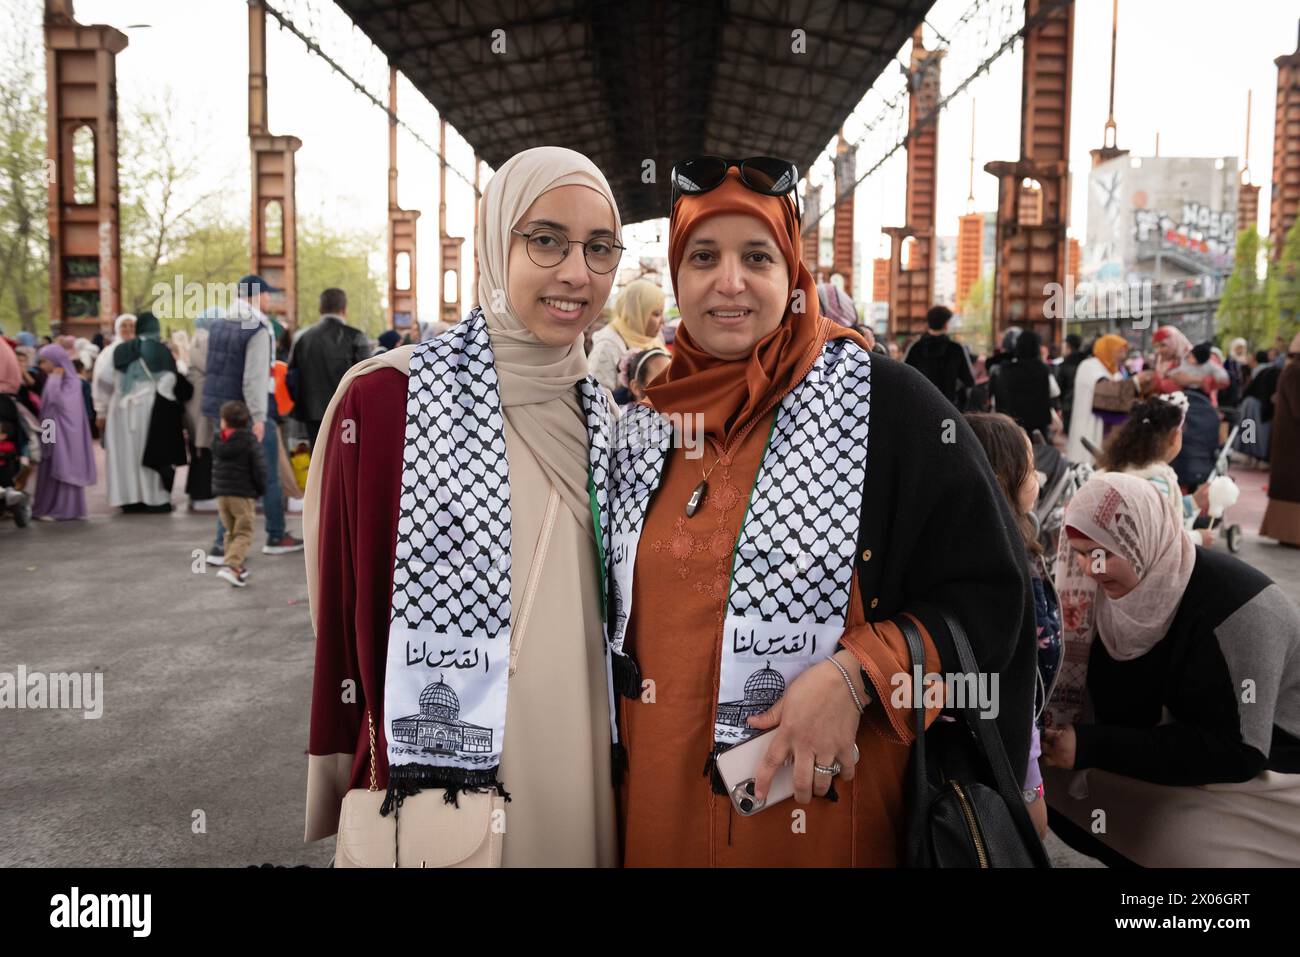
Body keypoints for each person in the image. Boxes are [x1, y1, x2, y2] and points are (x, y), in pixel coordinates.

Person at [610, 158, 1035, 867]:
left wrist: (860, 672)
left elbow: (992, 597)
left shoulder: (885, 406)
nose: (730, 281)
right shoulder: (646, 422)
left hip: (821, 824)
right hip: (661, 818)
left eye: (757, 257)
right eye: (704, 257)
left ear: (793, 270)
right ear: (677, 275)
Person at [303, 146, 625, 866]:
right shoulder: (387, 400)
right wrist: (347, 750)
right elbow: (343, 608)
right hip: (444, 767)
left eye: (598, 248)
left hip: (583, 756)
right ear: (494, 239)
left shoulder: (601, 415)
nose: (576, 271)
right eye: (545, 239)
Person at [1044, 472, 1300, 866]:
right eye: (1079, 553)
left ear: (1143, 539)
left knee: (1175, 846)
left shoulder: (1239, 610)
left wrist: (1090, 745)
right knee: (1050, 790)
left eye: (1102, 553)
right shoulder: (1109, 596)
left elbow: (1238, 751)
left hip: (1274, 774)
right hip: (1194, 755)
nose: (1089, 568)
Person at [965, 412, 1062, 840]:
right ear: (1004, 475)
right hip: (1008, 730)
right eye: (1030, 465)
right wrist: (1029, 775)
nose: (1038, 476)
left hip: (999, 725)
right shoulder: (1005, 560)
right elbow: (1011, 674)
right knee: (1026, 835)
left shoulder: (960, 542)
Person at [200, 274, 303, 561]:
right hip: (250, 412)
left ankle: (222, 544)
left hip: (221, 412)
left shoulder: (219, 323)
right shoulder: (257, 327)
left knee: (231, 476)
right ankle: (274, 535)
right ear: (258, 296)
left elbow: (216, 369)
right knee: (267, 474)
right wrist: (258, 417)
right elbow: (254, 378)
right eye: (267, 294)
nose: (269, 300)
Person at [1095, 394, 1209, 547]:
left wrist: (1193, 502)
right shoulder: (1157, 482)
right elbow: (1156, 539)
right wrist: (1197, 538)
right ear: (1174, 437)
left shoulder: (1119, 467)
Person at [102, 312, 188, 513]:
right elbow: (168, 383)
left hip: (121, 409)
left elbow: (104, 380)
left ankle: (129, 499)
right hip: (151, 407)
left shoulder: (118, 350)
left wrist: (105, 406)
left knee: (126, 455)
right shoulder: (161, 351)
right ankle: (154, 499)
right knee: (150, 451)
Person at [287, 288, 370, 446]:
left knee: (318, 459)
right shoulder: (356, 337)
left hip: (311, 412)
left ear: (320, 309)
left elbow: (291, 377)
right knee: (344, 460)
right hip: (346, 413)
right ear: (344, 309)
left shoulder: (303, 338)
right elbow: (368, 378)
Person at [31, 344, 96, 521]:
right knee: (48, 463)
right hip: (50, 428)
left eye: (44, 361)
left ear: (55, 361)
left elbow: (62, 405)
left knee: (61, 466)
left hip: (63, 434)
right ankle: (44, 507)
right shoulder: (55, 378)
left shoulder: (71, 381)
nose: (42, 365)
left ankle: (62, 510)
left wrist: (54, 380)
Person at [211, 400, 265, 588]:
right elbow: (259, 469)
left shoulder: (218, 440)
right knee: (244, 532)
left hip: (222, 494)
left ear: (224, 422)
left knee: (230, 531)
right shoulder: (249, 441)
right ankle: (231, 566)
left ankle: (236, 566)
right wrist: (261, 489)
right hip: (242, 495)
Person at [587, 278, 665, 392]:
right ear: (636, 313)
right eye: (657, 314)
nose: (663, 321)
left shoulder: (656, 339)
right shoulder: (607, 346)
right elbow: (596, 398)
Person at [1260, 332, 1300, 547]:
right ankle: (1290, 534)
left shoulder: (1292, 369)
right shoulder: (1296, 371)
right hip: (1293, 442)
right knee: (1293, 487)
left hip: (1290, 441)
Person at [1065, 333, 1128, 464]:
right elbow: (1104, 390)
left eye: (1124, 352)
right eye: (1119, 351)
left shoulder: (1115, 372)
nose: (1123, 356)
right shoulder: (1089, 366)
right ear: (1108, 350)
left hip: (1108, 430)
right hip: (1090, 425)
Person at [991, 329, 1059, 439]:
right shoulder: (1042, 369)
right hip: (1038, 426)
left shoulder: (1006, 369)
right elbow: (1052, 395)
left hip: (1013, 426)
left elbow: (1000, 399)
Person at [904, 304, 974, 408]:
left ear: (929, 324)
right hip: (948, 408)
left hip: (920, 406)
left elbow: (905, 377)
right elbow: (969, 381)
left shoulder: (915, 348)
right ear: (946, 325)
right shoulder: (956, 349)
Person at [92, 314, 135, 441]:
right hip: (115, 407)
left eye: (132, 326)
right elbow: (101, 381)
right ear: (117, 328)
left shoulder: (141, 348)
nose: (128, 329)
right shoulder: (110, 352)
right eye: (124, 326)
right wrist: (101, 412)